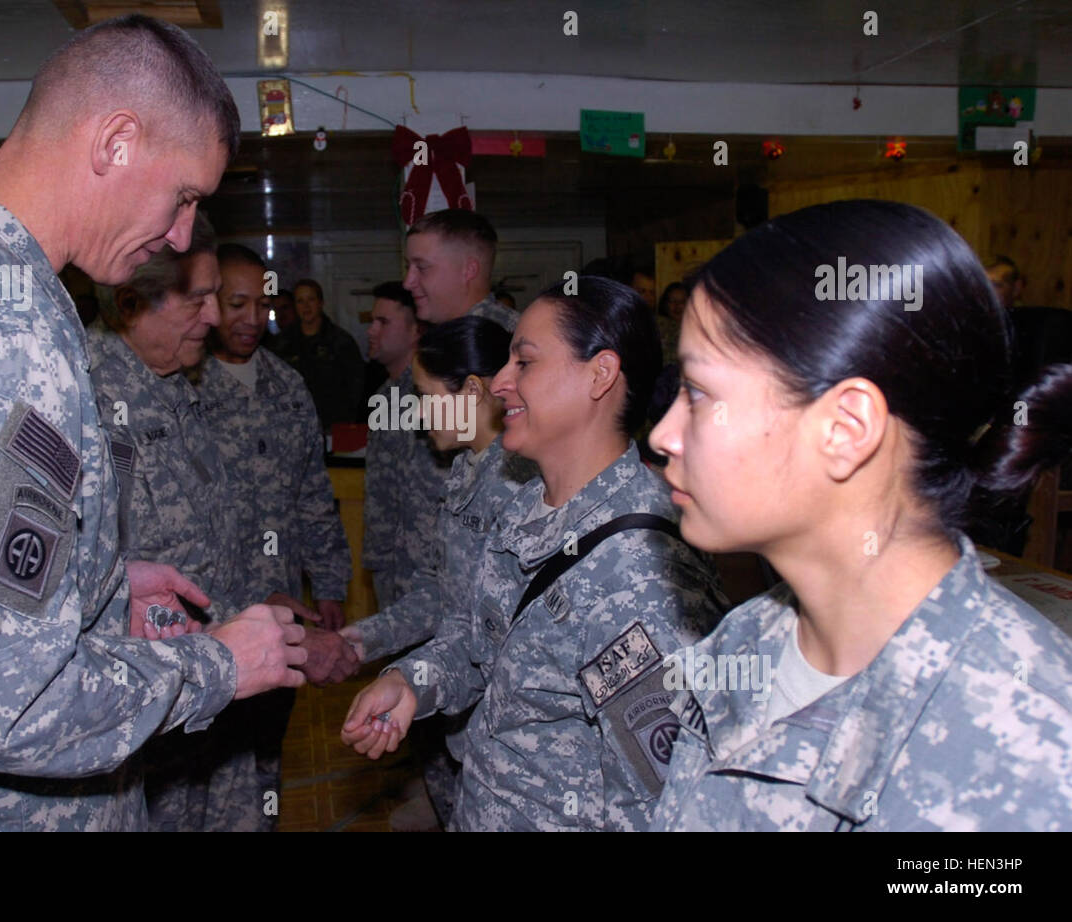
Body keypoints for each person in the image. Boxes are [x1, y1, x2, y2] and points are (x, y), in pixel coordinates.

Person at [0, 15, 307, 831]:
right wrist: (217, 665)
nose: (181, 236)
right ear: (116, 141)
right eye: (184, 195)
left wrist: (97, 582)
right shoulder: (6, 329)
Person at [648, 199, 1072, 831]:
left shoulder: (1030, 750)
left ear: (846, 430)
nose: (662, 435)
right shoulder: (744, 642)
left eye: (700, 394)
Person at [342, 277, 729, 831]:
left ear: (601, 374)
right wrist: (412, 681)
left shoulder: (640, 572)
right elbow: (482, 648)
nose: (499, 384)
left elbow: (660, 805)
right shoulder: (526, 507)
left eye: (524, 363)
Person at [88, 214, 352, 830]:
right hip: (150, 711)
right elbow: (101, 589)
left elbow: (209, 544)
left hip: (217, 693)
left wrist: (264, 606)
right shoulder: (85, 397)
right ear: (132, 301)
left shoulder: (177, 385)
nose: (215, 318)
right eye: (201, 299)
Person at [345, 315, 533, 828]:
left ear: (473, 391)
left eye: (426, 397)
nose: (419, 413)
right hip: (468, 720)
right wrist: (359, 640)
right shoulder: (466, 468)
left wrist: (410, 676)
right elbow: (440, 593)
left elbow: (498, 636)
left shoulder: (519, 484)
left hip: (515, 741)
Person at [197, 243, 357, 830]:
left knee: (263, 761)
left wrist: (331, 580)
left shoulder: (287, 385)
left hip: (284, 612)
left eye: (260, 304)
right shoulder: (181, 386)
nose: (250, 318)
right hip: (209, 616)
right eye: (235, 303)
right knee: (203, 771)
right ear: (208, 302)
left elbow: (313, 492)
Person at [361, 282, 445, 608]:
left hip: (429, 571)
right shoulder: (385, 395)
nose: (371, 331)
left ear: (416, 332)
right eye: (372, 321)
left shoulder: (437, 396)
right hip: (389, 564)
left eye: (384, 322)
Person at [270, 278, 364, 430]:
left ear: (320, 302)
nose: (306, 306)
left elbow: (356, 387)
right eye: (300, 301)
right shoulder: (282, 343)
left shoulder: (340, 341)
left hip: (333, 425)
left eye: (311, 299)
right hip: (293, 426)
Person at [403, 209, 519, 331]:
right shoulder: (454, 335)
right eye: (408, 267)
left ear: (469, 270)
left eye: (422, 267)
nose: (407, 283)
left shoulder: (509, 341)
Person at [655, 281, 689, 366]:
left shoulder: (696, 330)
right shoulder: (656, 326)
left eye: (682, 301)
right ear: (665, 303)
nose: (677, 305)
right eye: (672, 301)